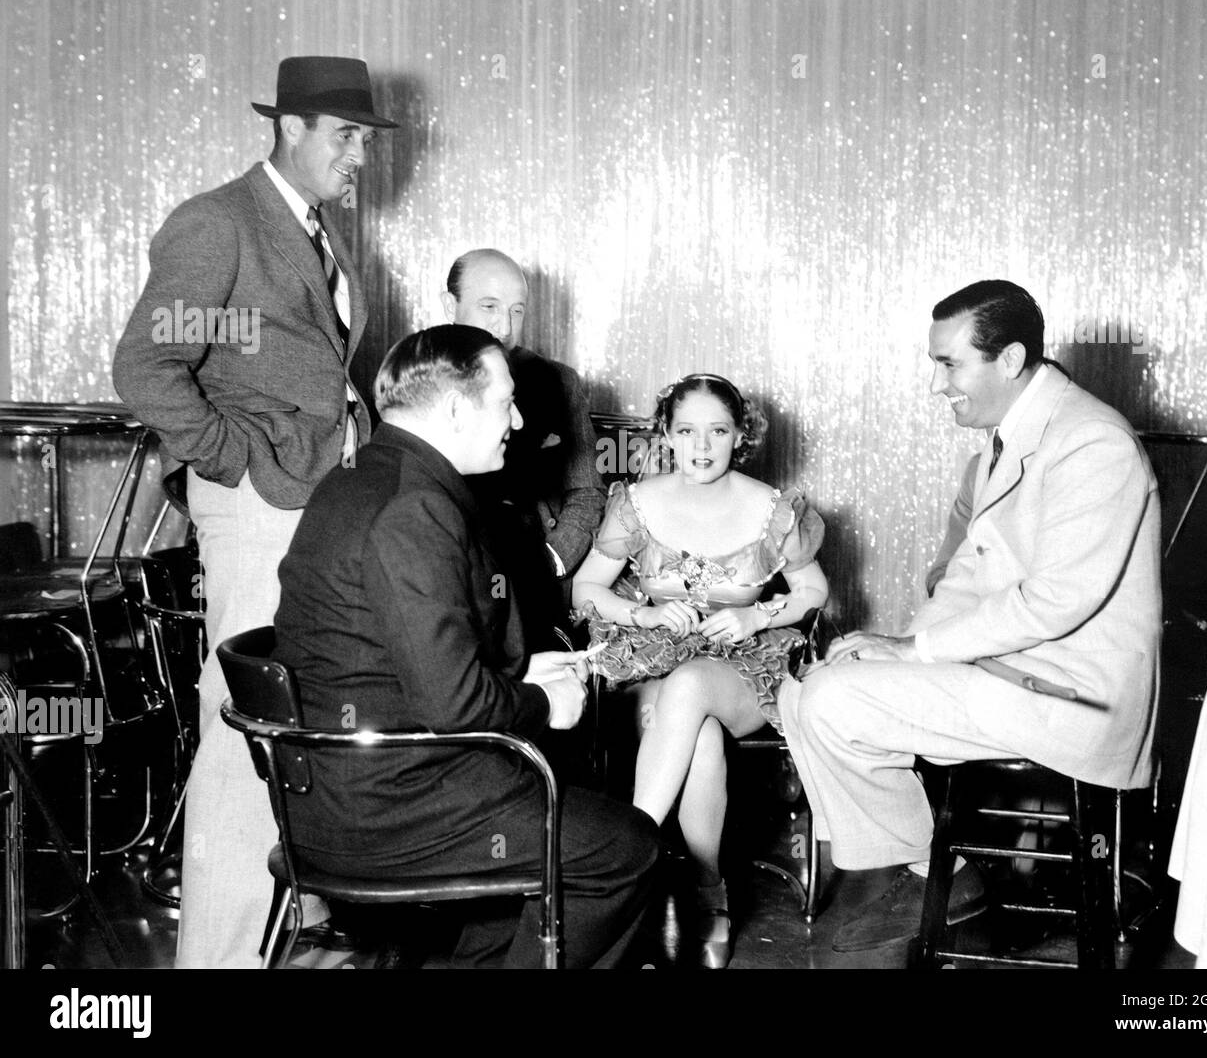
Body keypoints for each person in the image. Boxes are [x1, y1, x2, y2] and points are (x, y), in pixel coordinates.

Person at [112, 56, 397, 968]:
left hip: (314, 504)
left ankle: (288, 927)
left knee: (294, 714)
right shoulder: (219, 223)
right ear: (291, 129)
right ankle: (219, 959)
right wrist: (234, 459)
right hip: (259, 505)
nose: (360, 157)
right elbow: (147, 367)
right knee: (246, 728)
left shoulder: (312, 229)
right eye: (346, 137)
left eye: (363, 139)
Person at [779, 280, 1161, 953]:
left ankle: (935, 881)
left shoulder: (1092, 443)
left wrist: (919, 652)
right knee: (806, 685)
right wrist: (900, 643)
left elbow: (1053, 603)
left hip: (1073, 696)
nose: (938, 385)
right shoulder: (1013, 434)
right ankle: (936, 872)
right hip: (1014, 673)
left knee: (834, 700)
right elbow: (969, 575)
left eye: (949, 364)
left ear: (1010, 360)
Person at [274, 325, 659, 968]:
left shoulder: (364, 478)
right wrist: (539, 700)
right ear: (455, 409)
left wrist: (519, 670)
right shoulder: (416, 507)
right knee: (625, 848)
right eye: (505, 401)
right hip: (391, 804)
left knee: (545, 865)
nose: (517, 419)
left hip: (339, 787)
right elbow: (452, 704)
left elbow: (394, 652)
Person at [571, 374, 829, 968]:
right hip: (650, 665)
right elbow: (586, 590)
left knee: (693, 690)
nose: (702, 445)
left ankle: (621, 871)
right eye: (686, 430)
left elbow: (814, 592)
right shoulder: (635, 504)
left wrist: (757, 616)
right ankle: (711, 893)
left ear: (740, 435)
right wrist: (646, 611)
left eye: (718, 430)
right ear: (666, 433)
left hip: (739, 670)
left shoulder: (773, 508)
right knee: (700, 736)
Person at [442, 249, 605, 651]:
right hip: (450, 576)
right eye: (489, 307)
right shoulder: (419, 378)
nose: (505, 326)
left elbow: (587, 492)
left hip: (539, 578)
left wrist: (550, 561)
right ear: (451, 305)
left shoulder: (559, 382)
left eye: (517, 310)